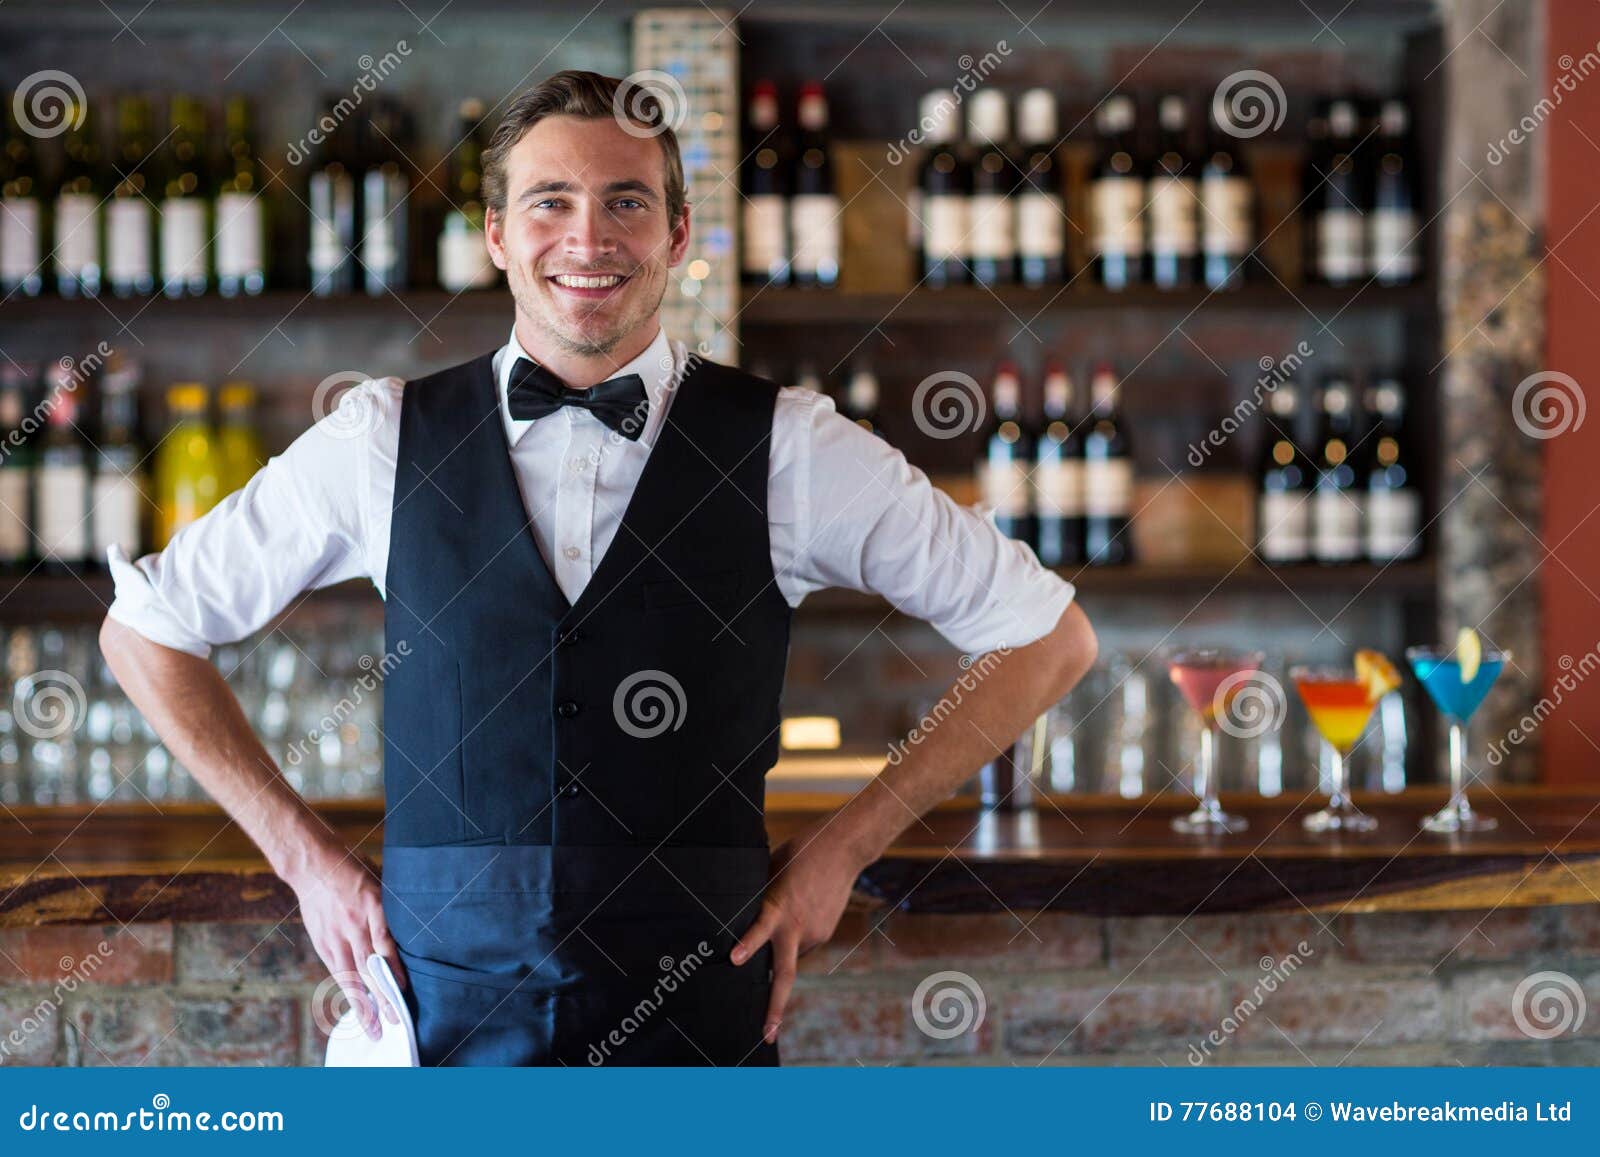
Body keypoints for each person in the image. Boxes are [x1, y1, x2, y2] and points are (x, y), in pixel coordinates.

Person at [99, 70, 1098, 1066]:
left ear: (675, 234)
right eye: (550, 203)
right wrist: (301, 857)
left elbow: (1047, 634)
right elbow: (145, 628)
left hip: (697, 1022)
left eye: (626, 200)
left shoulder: (789, 445)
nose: (587, 239)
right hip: (436, 1023)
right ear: (496, 234)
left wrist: (848, 842)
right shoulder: (381, 437)